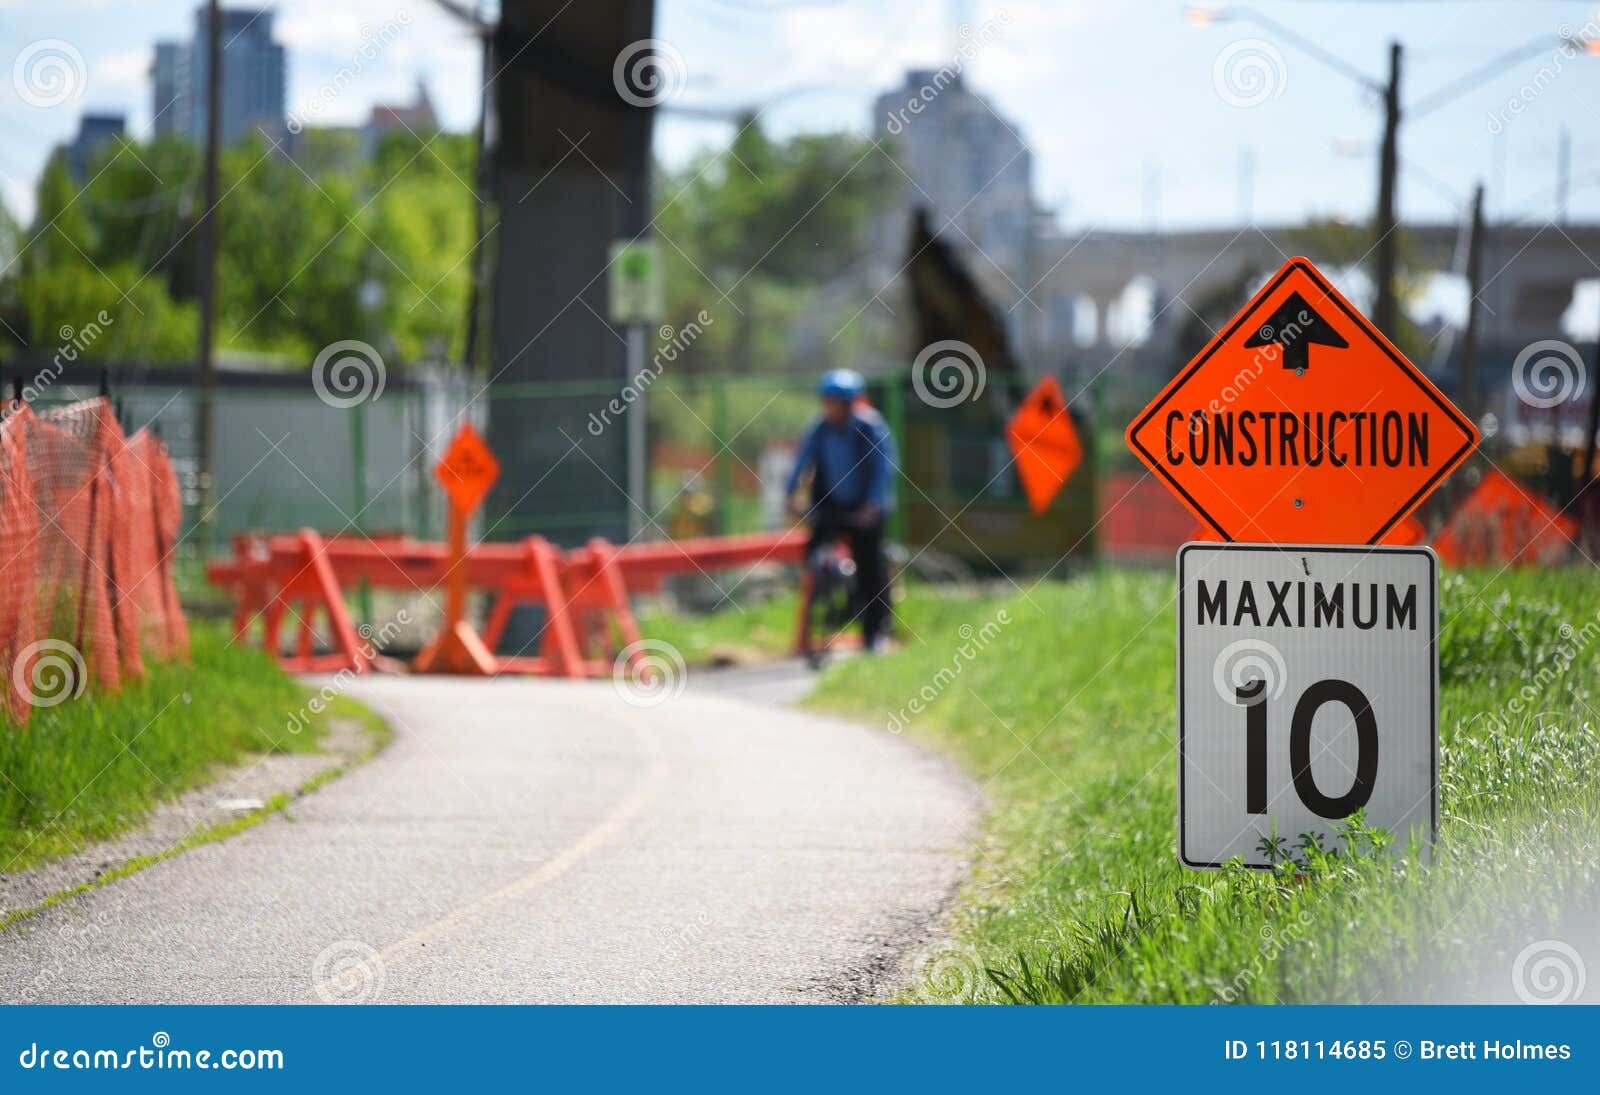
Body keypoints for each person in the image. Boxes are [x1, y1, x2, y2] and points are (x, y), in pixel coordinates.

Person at [785, 369, 898, 651]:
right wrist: (790, 494)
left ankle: (875, 631)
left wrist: (873, 505)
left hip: (865, 508)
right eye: (828, 402)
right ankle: (822, 604)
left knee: (870, 566)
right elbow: (802, 461)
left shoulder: (870, 427)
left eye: (838, 402)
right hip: (832, 504)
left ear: (850, 404)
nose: (832, 408)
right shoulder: (820, 429)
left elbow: (883, 470)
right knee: (814, 550)